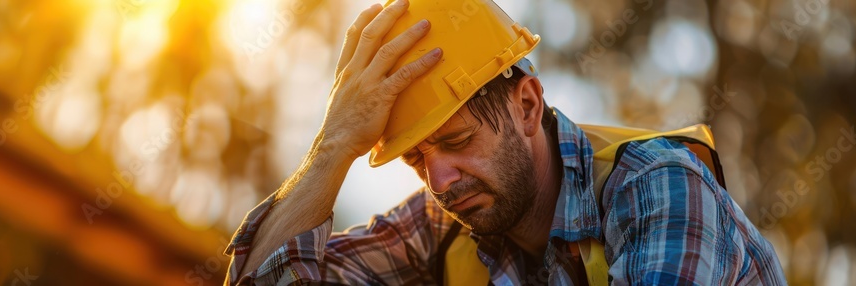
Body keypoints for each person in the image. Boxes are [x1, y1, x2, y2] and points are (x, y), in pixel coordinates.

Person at [224, 0, 787, 284]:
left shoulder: (658, 189)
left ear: (526, 106)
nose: (440, 182)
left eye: (457, 139)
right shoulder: (444, 224)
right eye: (418, 159)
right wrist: (334, 146)